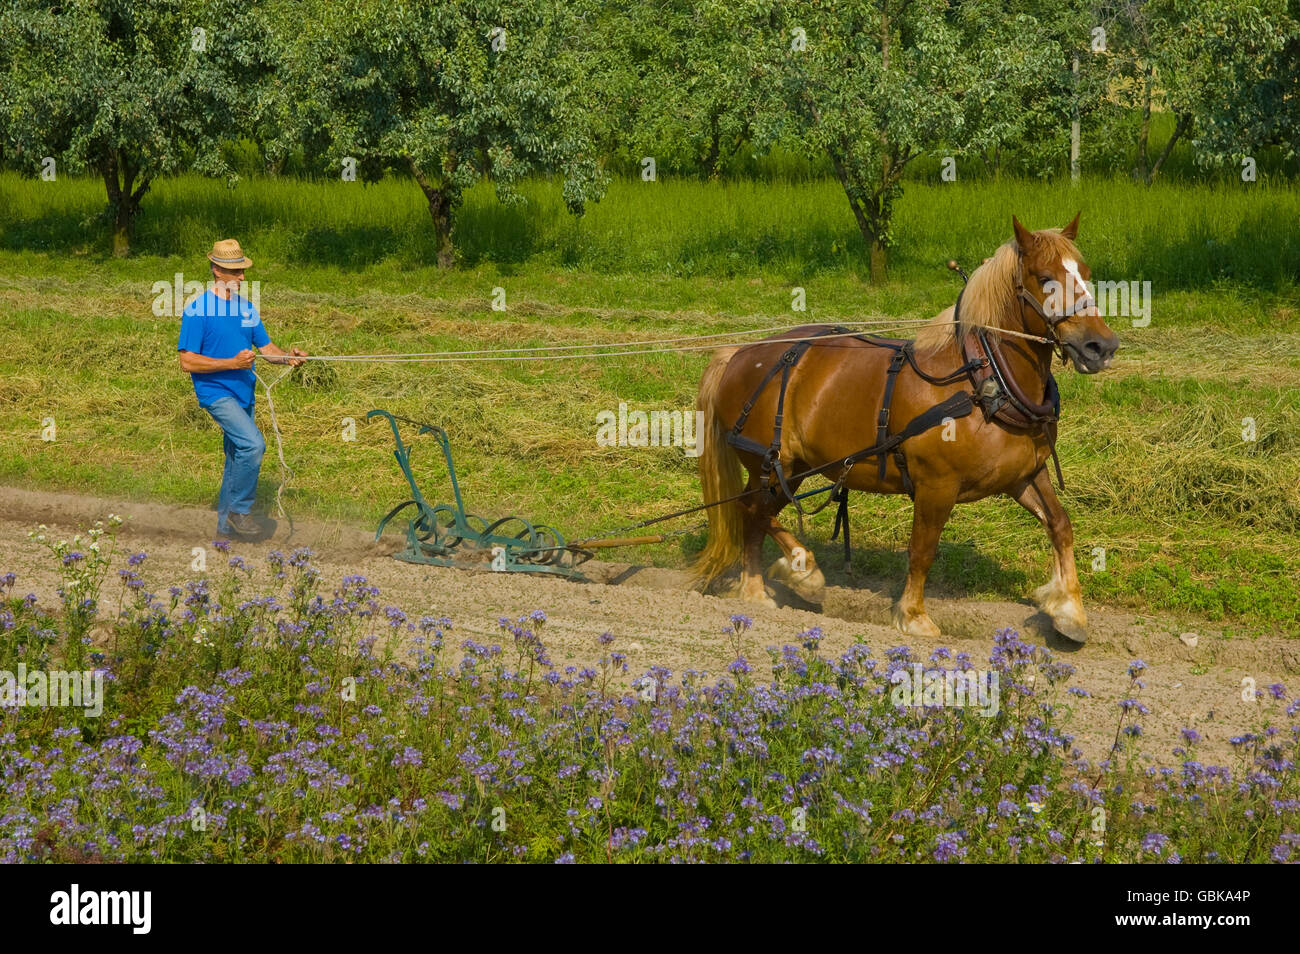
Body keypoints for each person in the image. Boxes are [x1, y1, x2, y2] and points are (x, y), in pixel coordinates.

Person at [177, 239, 306, 539]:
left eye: (243, 271)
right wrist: (232, 363)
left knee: (236, 459)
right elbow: (187, 361)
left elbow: (267, 348)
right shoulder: (198, 310)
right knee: (253, 445)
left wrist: (287, 356)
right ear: (216, 271)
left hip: (245, 393)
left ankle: (225, 533)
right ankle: (240, 510)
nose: (242, 278)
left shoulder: (247, 308)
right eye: (236, 272)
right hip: (216, 393)